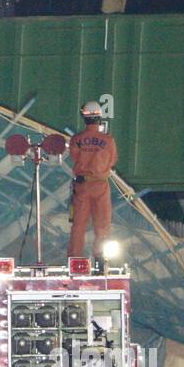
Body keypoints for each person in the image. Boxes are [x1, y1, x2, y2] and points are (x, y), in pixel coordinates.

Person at [68, 100, 119, 259]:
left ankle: (74, 260)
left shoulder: (76, 139)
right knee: (102, 226)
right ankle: (100, 260)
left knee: (79, 226)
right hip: (101, 185)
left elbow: (74, 156)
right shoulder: (108, 140)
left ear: (83, 117)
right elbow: (113, 160)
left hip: (82, 186)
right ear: (99, 118)